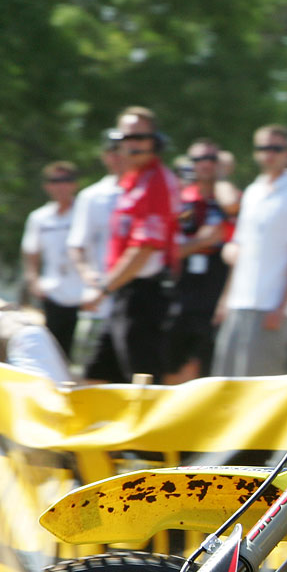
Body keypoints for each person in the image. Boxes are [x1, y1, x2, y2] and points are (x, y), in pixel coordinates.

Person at [79, 107, 180, 384]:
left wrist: (103, 289)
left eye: (139, 138)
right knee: (97, 376)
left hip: (145, 296)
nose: (131, 145)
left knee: (142, 382)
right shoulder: (132, 180)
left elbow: (143, 249)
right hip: (124, 292)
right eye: (125, 138)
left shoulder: (156, 182)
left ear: (155, 141)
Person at [213, 125, 287, 377]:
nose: (269, 154)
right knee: (226, 382)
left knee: (260, 386)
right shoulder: (253, 191)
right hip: (239, 303)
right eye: (263, 148)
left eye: (276, 148)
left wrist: (281, 307)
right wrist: (225, 300)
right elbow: (239, 251)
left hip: (271, 306)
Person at [165, 139, 238, 383]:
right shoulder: (181, 200)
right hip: (183, 283)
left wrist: (223, 176)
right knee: (173, 356)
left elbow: (233, 210)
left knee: (207, 358)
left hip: (218, 282)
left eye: (211, 159)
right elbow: (168, 250)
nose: (205, 165)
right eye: (197, 160)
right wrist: (201, 241)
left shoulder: (229, 199)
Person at [67, 133, 125, 374]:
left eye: (122, 150)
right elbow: (76, 245)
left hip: (134, 301)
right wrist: (87, 274)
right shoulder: (92, 196)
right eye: (112, 151)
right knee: (88, 372)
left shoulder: (147, 190)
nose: (118, 157)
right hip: (98, 301)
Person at [20, 161, 83, 359]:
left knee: (84, 353)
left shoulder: (84, 212)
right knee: (53, 351)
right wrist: (33, 280)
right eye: (55, 181)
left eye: (66, 180)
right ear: (46, 185)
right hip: (53, 292)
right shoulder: (39, 217)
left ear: (75, 184)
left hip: (86, 294)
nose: (60, 185)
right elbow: (31, 250)